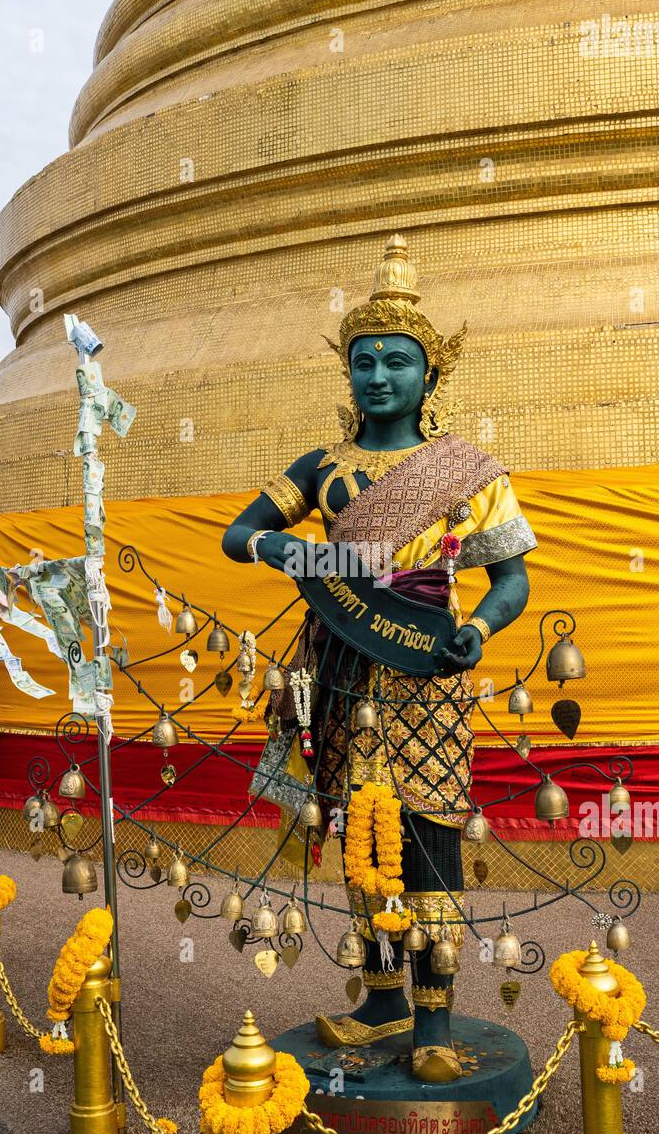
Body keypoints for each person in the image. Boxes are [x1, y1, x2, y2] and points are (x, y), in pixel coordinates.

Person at [222, 236, 536, 1082]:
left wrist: (482, 632)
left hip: (426, 668)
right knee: (358, 831)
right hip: (339, 668)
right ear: (347, 372)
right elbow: (239, 534)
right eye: (364, 361)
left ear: (430, 376)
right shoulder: (321, 468)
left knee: (427, 834)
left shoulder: (466, 471)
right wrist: (300, 558)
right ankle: (380, 999)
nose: (378, 377)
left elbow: (511, 580)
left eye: (398, 362)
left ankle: (433, 1019)